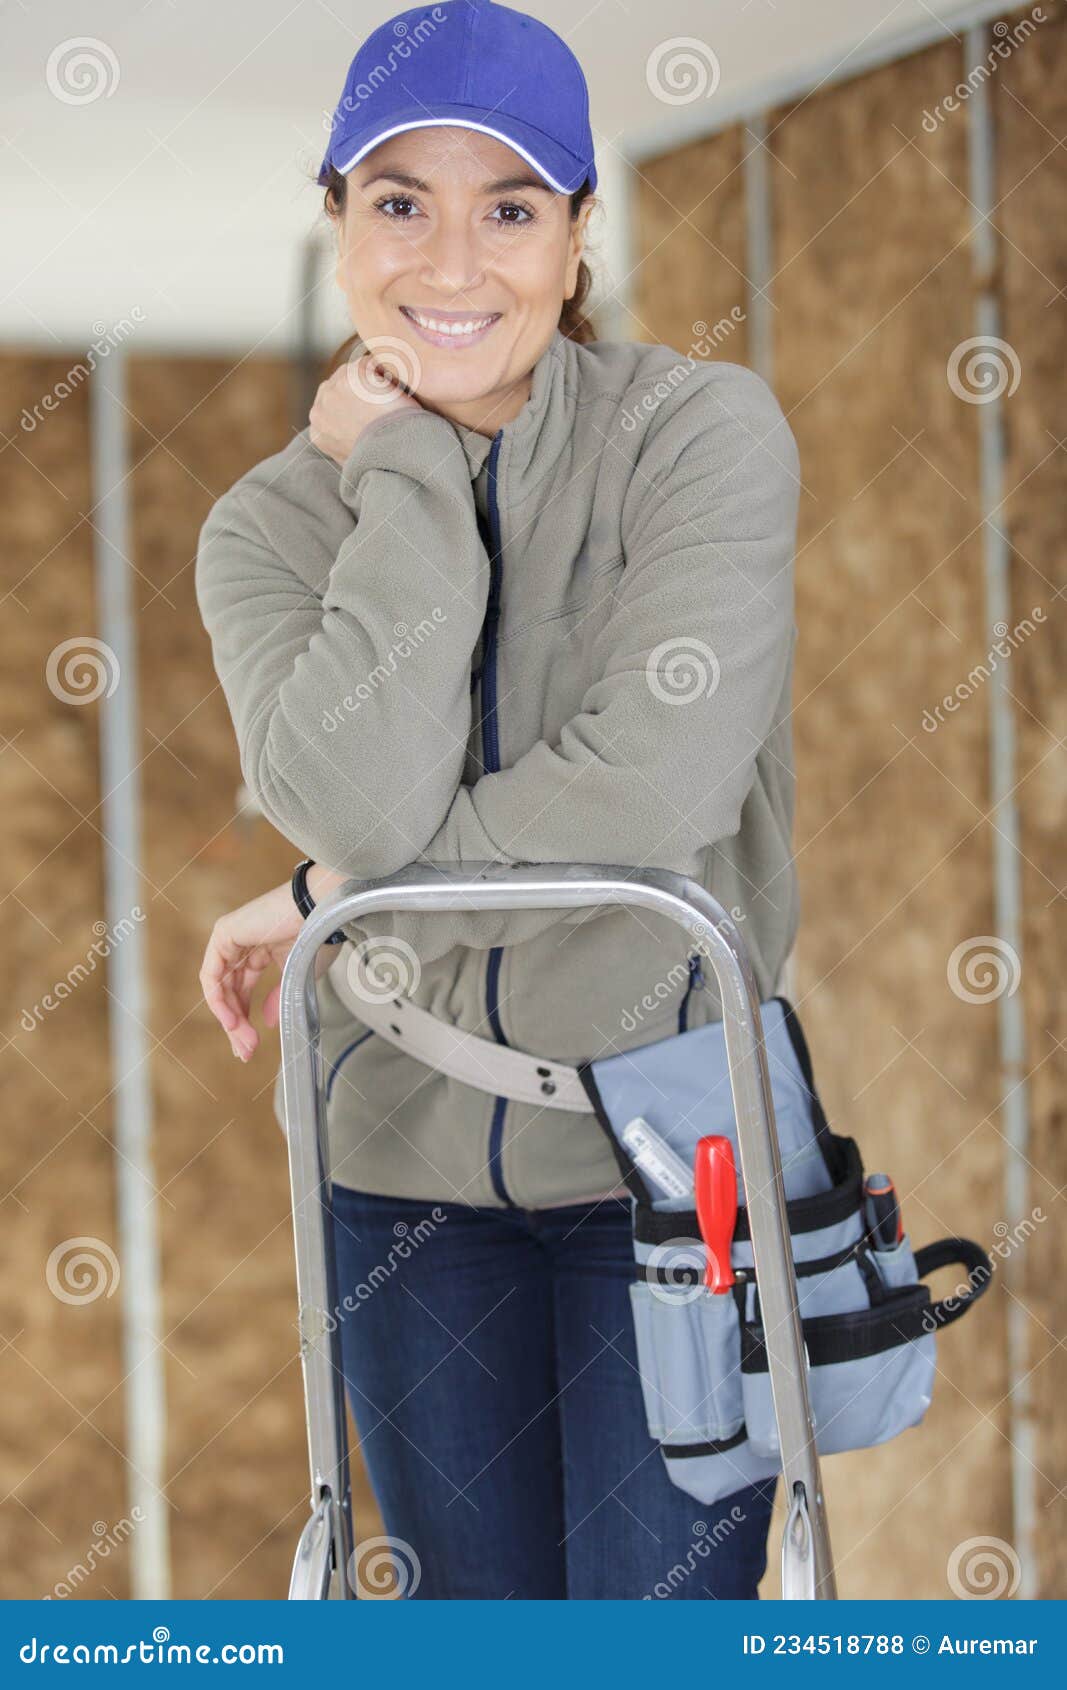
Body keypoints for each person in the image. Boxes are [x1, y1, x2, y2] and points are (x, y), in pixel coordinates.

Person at [196, 0, 802, 1599]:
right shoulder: (266, 529)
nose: (454, 262)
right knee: (469, 1639)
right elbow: (354, 797)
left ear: (580, 233)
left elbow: (651, 788)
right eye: (402, 202)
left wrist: (340, 899)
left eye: (513, 209)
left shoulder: (695, 438)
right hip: (395, 1181)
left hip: (675, 1164)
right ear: (339, 223)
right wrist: (399, 473)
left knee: (659, 1645)